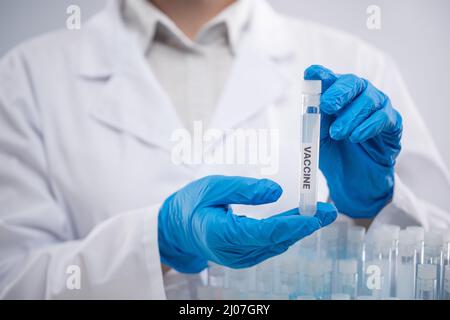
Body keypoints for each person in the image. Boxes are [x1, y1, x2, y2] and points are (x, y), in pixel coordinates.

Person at [0, 0, 448, 299]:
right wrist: (154, 243)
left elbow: (439, 265)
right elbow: (10, 279)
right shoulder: (29, 77)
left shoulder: (355, 61)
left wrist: (377, 207)